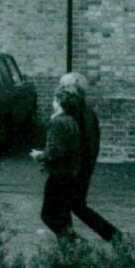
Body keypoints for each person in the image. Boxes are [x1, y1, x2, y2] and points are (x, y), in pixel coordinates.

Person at [58, 74, 118, 242]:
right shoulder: (84, 112)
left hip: (76, 170)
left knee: (74, 206)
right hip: (81, 168)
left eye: (63, 87)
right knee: (71, 206)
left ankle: (112, 236)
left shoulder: (79, 114)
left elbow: (83, 145)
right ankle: (71, 242)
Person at [32, 83, 86, 237]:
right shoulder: (71, 120)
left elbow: (55, 152)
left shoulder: (57, 122)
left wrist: (39, 156)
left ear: (59, 102)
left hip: (58, 175)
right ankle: (69, 251)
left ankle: (74, 243)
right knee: (63, 215)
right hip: (70, 174)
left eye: (54, 99)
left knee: (48, 215)